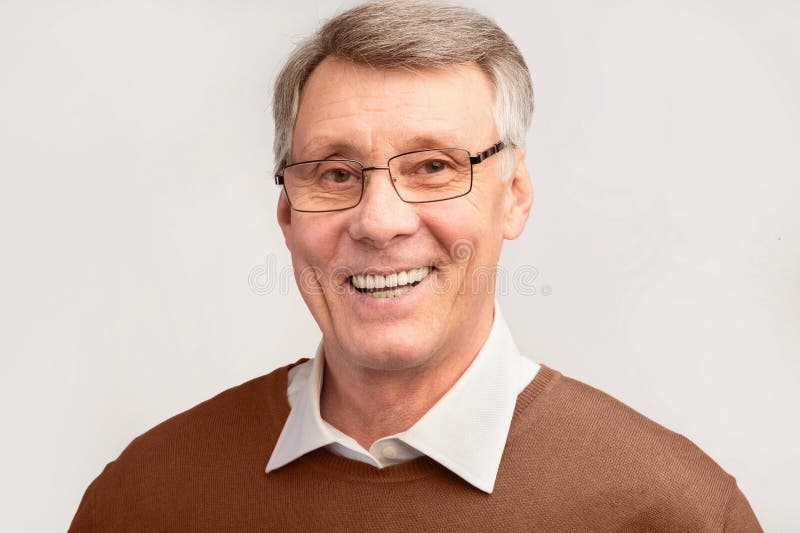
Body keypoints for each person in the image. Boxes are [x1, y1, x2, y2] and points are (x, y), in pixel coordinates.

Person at [70, 1, 761, 531]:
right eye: (335, 173)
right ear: (286, 214)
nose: (378, 221)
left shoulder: (674, 513)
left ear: (514, 195)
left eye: (434, 167)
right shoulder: (145, 500)